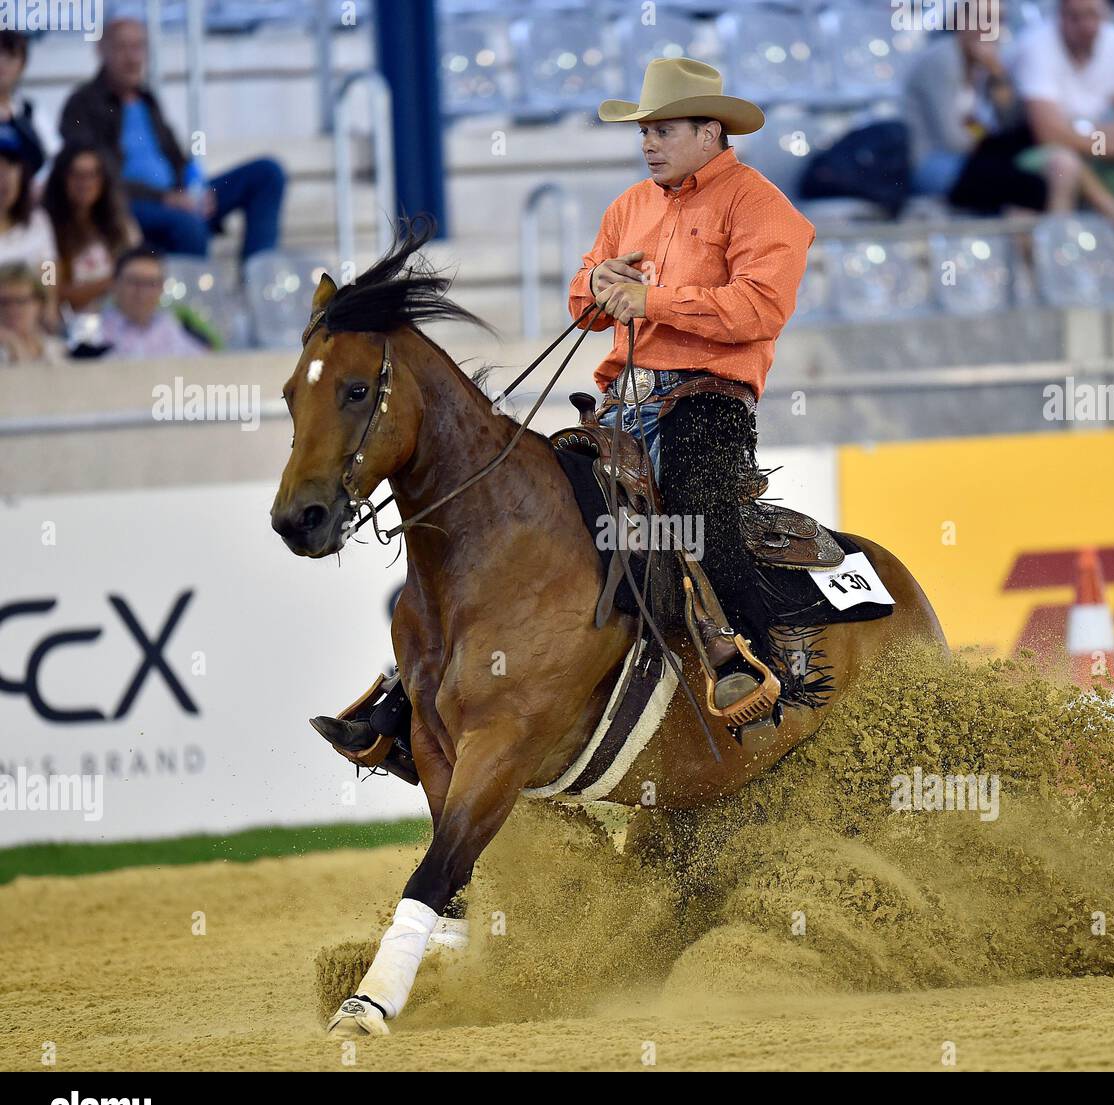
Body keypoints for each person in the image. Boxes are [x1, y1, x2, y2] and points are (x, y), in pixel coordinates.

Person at [311, 57, 813, 774]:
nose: (648, 144)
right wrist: (600, 286)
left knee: (701, 514)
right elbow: (581, 296)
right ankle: (417, 687)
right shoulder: (630, 207)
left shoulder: (761, 207)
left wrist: (655, 303)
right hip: (620, 405)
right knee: (524, 515)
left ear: (710, 131)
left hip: (706, 402)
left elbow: (761, 308)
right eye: (644, 131)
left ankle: (760, 666)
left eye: (664, 130)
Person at [59, 17, 285, 262]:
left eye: (138, 47)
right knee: (188, 225)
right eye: (123, 47)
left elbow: (177, 158)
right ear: (101, 51)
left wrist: (195, 190)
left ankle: (257, 275)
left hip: (176, 197)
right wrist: (165, 199)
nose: (132, 58)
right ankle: (194, 295)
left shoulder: (146, 99)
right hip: (128, 203)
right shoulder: (83, 103)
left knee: (267, 173)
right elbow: (96, 175)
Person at [1013, 0, 1114, 225]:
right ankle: (1064, 246)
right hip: (1034, 152)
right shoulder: (1036, 45)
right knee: (1065, 164)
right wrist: (1107, 145)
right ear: (1060, 16)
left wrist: (1093, 139)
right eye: (1075, 17)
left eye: (1091, 15)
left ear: (1104, 15)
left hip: (1095, 147)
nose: (1085, 25)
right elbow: (1048, 134)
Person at [905, 15, 1049, 215]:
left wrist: (998, 74)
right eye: (984, 18)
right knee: (1030, 187)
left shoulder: (981, 65)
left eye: (999, 20)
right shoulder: (942, 59)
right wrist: (984, 135)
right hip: (936, 165)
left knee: (1027, 144)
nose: (990, 28)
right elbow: (952, 139)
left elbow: (1008, 121)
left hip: (969, 157)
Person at [43, 144, 139, 313]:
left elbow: (138, 270)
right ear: (61, 178)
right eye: (76, 175)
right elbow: (52, 291)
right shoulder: (45, 227)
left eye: (92, 175)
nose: (85, 183)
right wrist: (112, 281)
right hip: (70, 324)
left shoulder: (121, 223)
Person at [99, 244, 207, 358]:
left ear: (162, 288)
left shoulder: (169, 326)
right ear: (114, 284)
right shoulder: (96, 331)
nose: (143, 292)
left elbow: (204, 363)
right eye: (135, 282)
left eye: (151, 283)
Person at [0, 122, 56, 271]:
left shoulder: (39, 222)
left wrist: (44, 290)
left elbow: (49, 280)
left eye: (12, 163)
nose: (4, 174)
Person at [0, 31, 53, 178]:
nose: (2, 63)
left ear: (22, 65)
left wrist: (38, 183)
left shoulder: (32, 112)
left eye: (10, 56)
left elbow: (55, 157)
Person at [0, 263, 62, 364]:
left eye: (21, 301)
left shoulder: (57, 349)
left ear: (39, 304)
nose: (13, 308)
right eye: (4, 302)